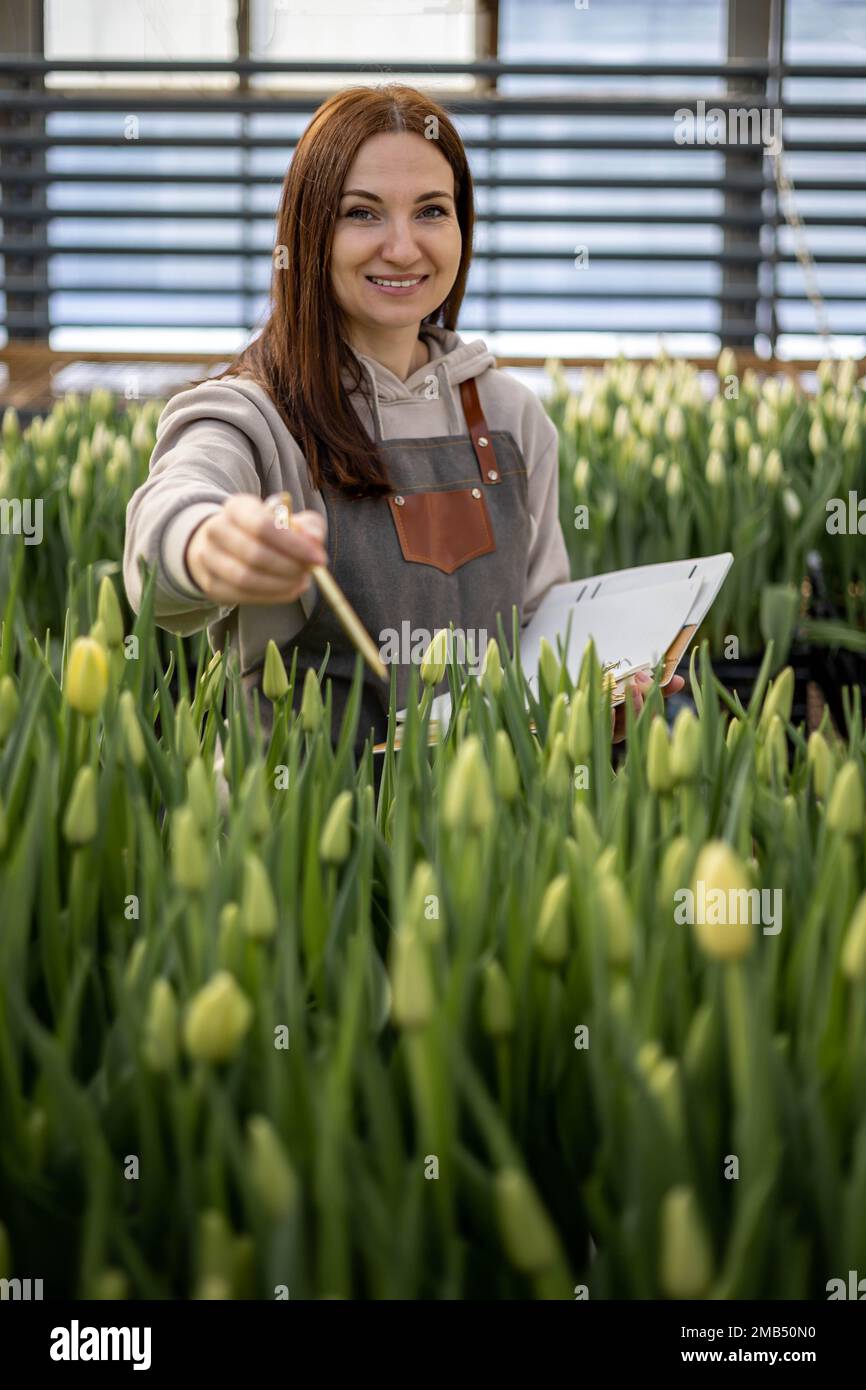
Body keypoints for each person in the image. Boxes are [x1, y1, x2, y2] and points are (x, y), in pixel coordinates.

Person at [123, 83, 683, 770]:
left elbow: (538, 633)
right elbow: (170, 514)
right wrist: (209, 544)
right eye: (362, 213)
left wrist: (595, 704)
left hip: (477, 832)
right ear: (307, 235)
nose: (401, 246)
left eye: (431, 211)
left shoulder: (510, 416)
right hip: (294, 838)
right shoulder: (255, 411)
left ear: (462, 229)